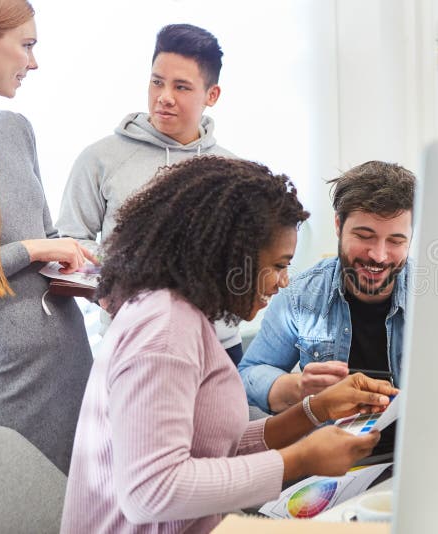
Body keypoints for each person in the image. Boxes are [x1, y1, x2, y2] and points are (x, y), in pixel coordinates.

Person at [61, 156, 397, 533]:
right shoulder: (164, 329)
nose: (284, 281)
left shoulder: (182, 315)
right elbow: (150, 492)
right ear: (232, 257)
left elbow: (218, 447)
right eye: (279, 265)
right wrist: (299, 460)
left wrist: (315, 410)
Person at [56, 23, 245, 364]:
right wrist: (113, 284)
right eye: (157, 82)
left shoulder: (236, 172)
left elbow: (248, 259)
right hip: (132, 343)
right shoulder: (100, 159)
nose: (164, 97)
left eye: (181, 86)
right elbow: (70, 244)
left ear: (212, 95)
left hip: (218, 348)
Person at [0, 0, 96, 473]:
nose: (34, 62)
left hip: (70, 359)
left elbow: (48, 234)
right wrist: (37, 249)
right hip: (5, 379)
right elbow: (27, 249)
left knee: (83, 502)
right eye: (26, 45)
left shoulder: (17, 129)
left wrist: (90, 275)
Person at [239, 161, 415, 414]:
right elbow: (248, 375)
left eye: (396, 241)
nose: (379, 255)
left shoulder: (436, 299)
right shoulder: (299, 296)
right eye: (364, 236)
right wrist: (298, 387)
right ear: (338, 225)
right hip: (331, 438)